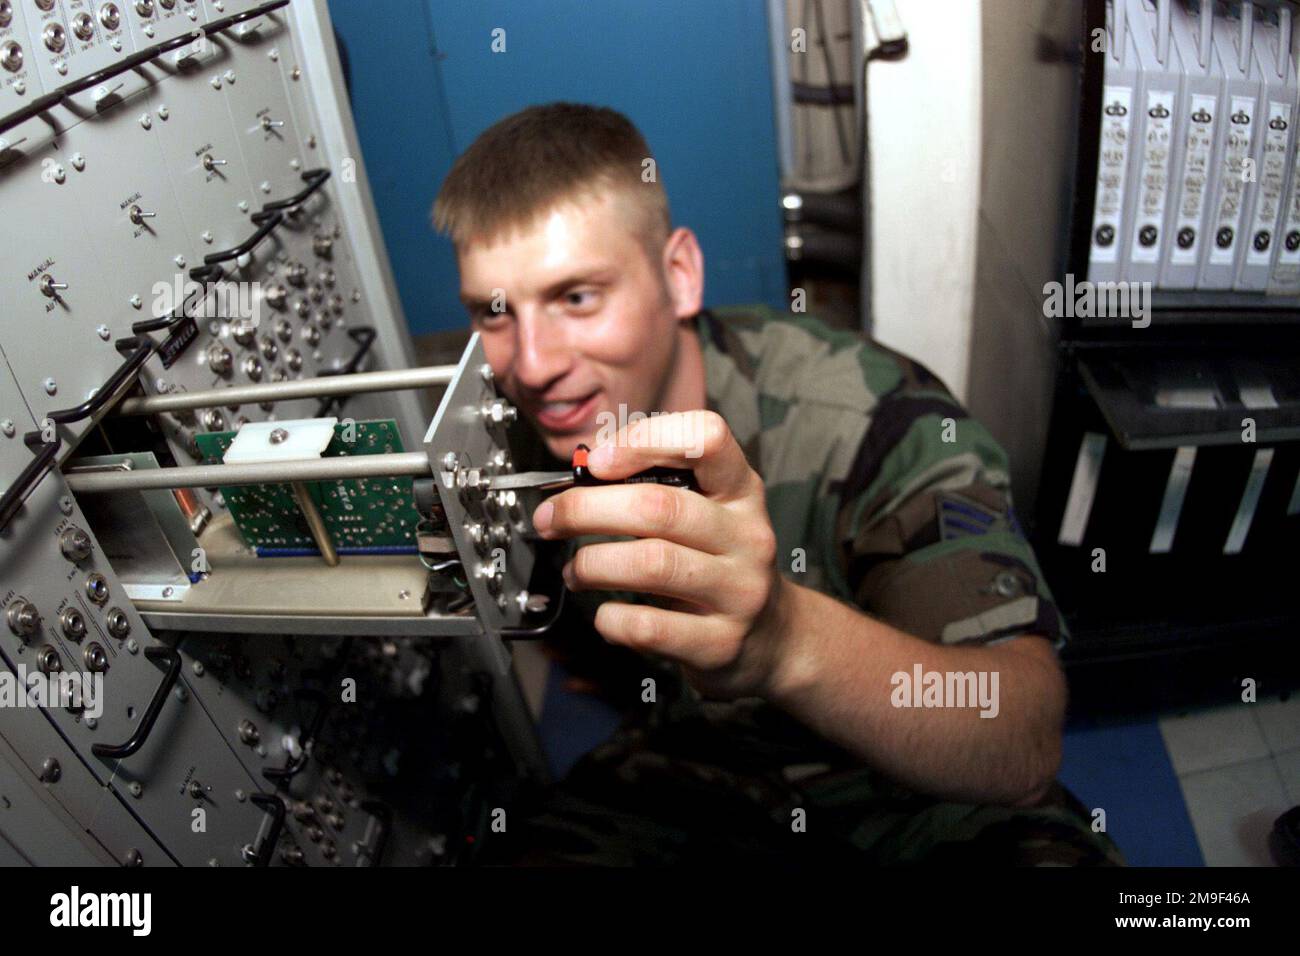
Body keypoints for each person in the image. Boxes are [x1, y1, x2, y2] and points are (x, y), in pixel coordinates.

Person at [431, 102, 1124, 866]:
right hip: (697, 764)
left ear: (679, 275)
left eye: (576, 297)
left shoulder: (865, 417)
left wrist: (785, 639)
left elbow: (1021, 735)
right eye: (494, 312)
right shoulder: (513, 430)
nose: (532, 364)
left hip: (898, 785)